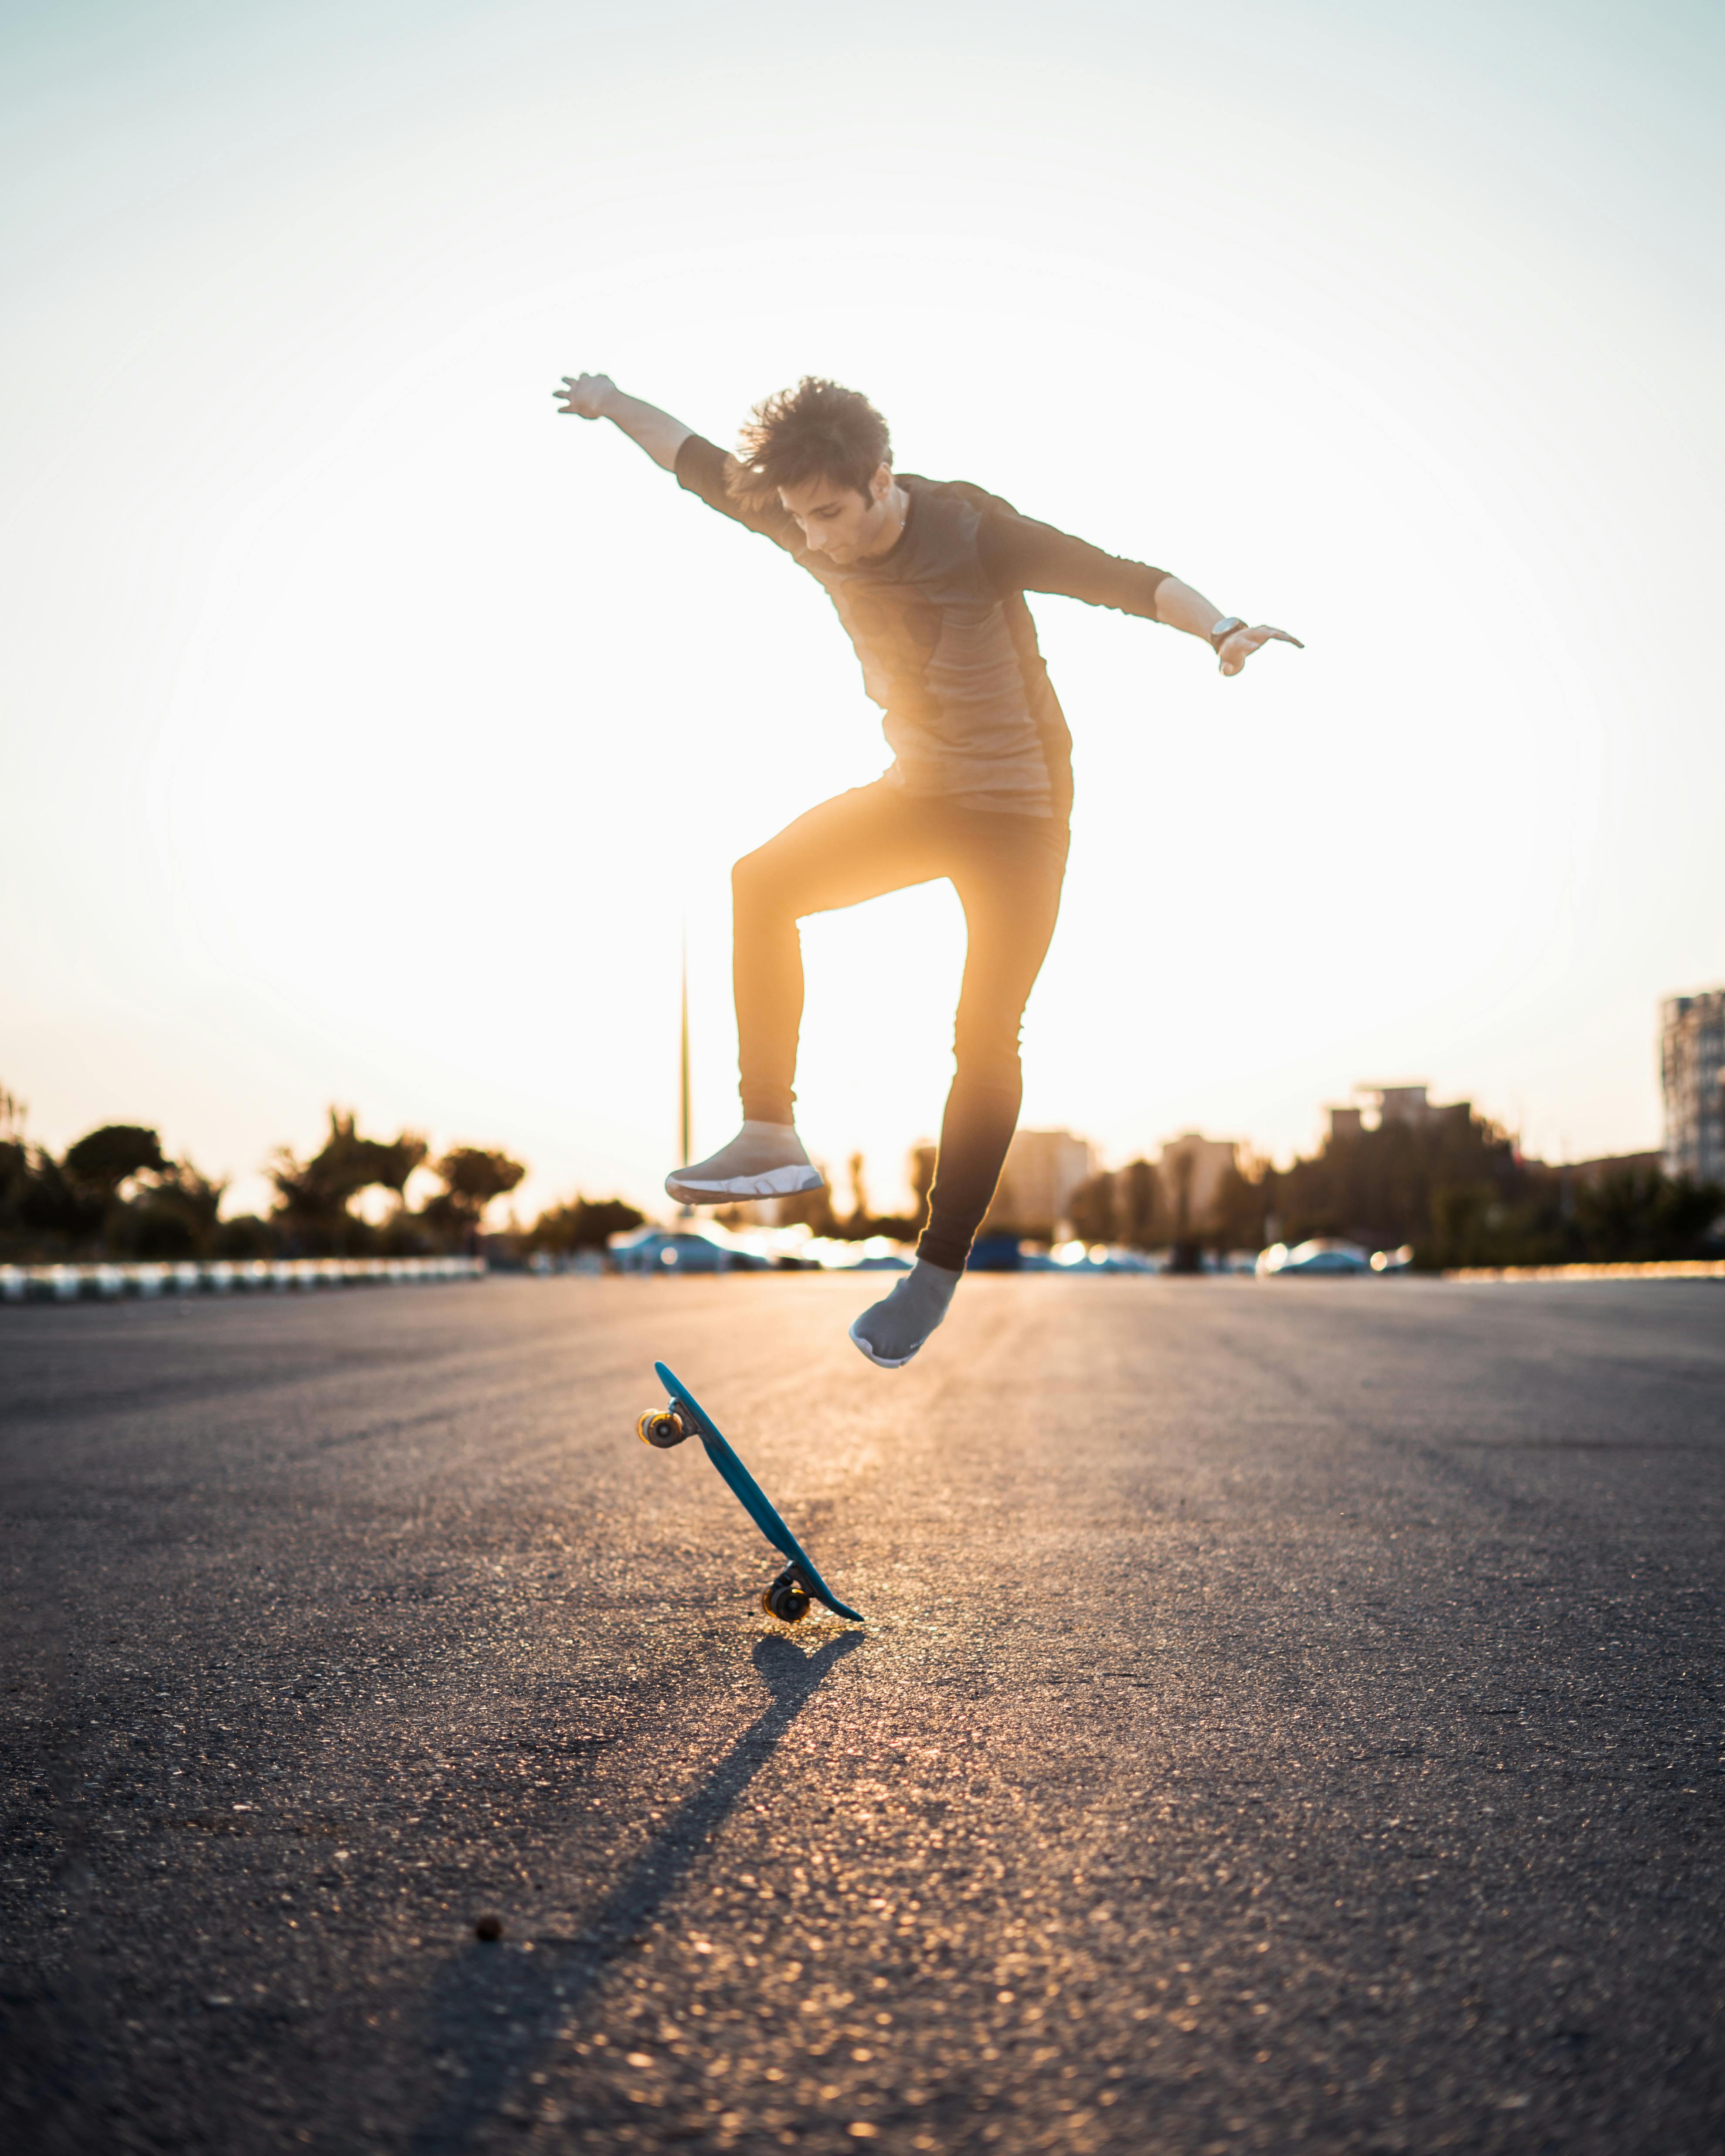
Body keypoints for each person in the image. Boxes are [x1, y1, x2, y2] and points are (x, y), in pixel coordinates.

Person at [553, 372, 1300, 1368]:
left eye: (827, 514)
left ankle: (934, 1274)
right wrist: (609, 401)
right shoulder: (791, 511)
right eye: (797, 518)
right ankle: (768, 1129)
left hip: (1021, 816)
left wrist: (1217, 627)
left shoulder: (973, 530)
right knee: (761, 880)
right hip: (918, 795)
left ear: (880, 480)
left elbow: (1120, 577)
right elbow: (687, 456)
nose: (813, 539)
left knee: (984, 1032)